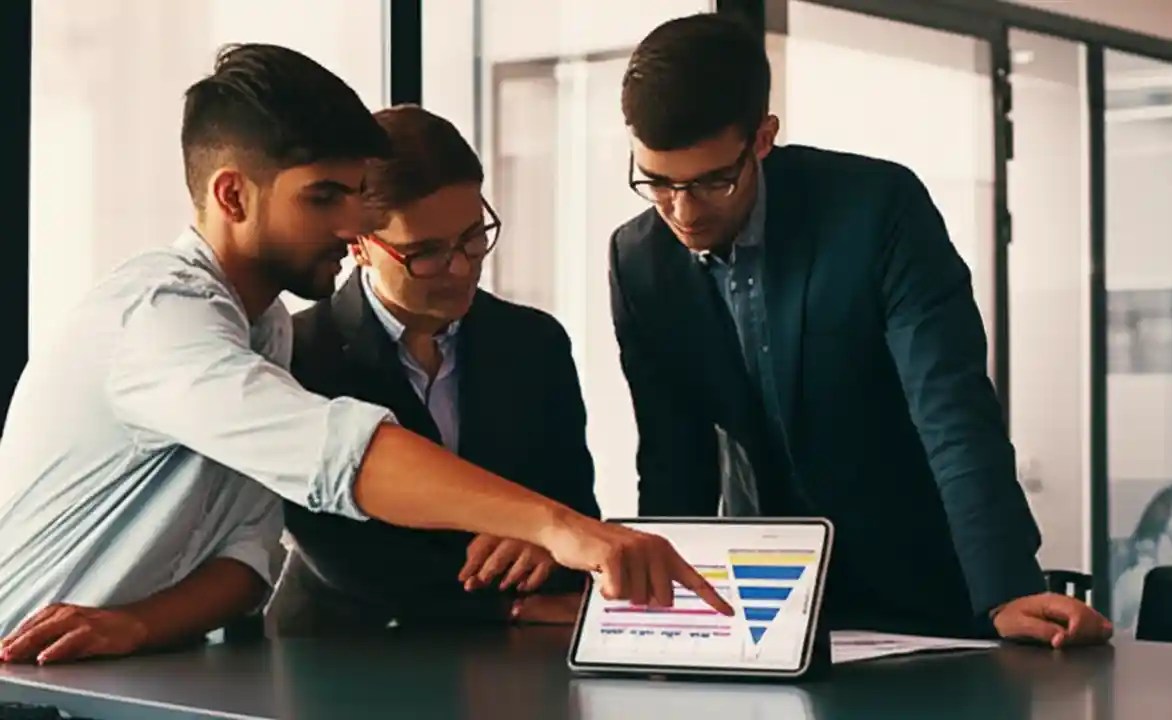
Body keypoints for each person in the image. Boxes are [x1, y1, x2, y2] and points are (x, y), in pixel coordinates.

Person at [0, 43, 728, 666]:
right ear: (231, 196)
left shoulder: (267, 331)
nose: (351, 223)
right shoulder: (160, 316)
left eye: (353, 196)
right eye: (324, 199)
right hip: (23, 681)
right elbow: (335, 456)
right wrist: (562, 530)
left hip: (97, 675)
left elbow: (248, 559)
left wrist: (137, 625)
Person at [608, 14, 1110, 646]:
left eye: (712, 182)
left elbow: (951, 410)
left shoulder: (876, 209)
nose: (681, 210)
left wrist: (1006, 586)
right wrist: (662, 620)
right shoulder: (639, 260)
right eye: (657, 181)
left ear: (762, 138)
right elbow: (672, 454)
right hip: (763, 600)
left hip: (919, 587)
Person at [267, 105, 596, 635]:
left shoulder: (535, 342)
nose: (461, 268)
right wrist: (501, 607)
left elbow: (574, 504)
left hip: (514, 662)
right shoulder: (300, 353)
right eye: (425, 254)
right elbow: (338, 545)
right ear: (358, 245)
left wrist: (545, 543)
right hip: (345, 652)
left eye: (472, 237)